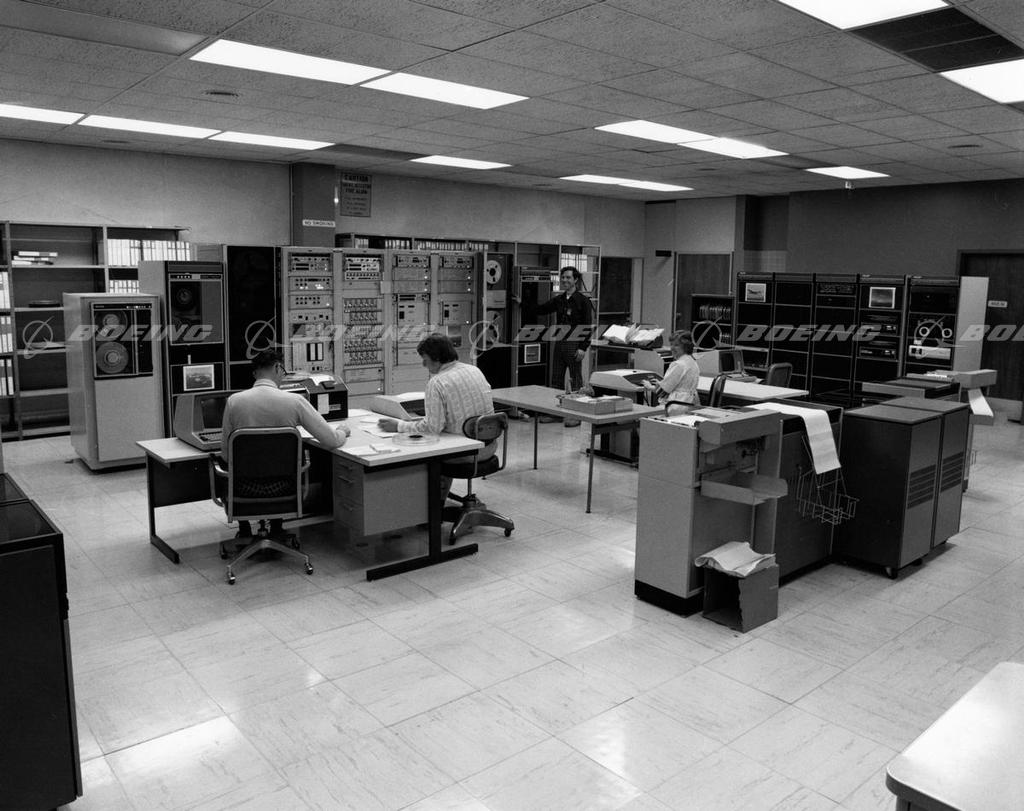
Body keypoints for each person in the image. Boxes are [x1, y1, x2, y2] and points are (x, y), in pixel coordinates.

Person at [221, 348, 350, 538]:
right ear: (277, 367)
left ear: (255, 373)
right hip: (284, 488)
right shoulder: (295, 401)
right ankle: (276, 526)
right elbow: (331, 441)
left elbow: (225, 454)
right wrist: (342, 431)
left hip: (244, 488)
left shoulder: (234, 402)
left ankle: (245, 527)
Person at [377, 333, 494, 504]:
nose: (423, 364)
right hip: (489, 446)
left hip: (465, 455)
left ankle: (430, 509)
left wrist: (399, 426)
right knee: (446, 440)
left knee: (420, 451)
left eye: (425, 359)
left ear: (437, 358)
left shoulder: (437, 382)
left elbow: (433, 428)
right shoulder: (474, 370)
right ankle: (438, 501)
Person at [536, 266, 595, 426]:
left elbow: (587, 326)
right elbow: (542, 309)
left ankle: (577, 415)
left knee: (576, 379)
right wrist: (522, 303)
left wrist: (583, 347)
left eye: (568, 278)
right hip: (560, 341)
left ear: (575, 279)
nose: (565, 281)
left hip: (575, 343)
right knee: (556, 377)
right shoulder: (560, 299)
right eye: (563, 278)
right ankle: (556, 413)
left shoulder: (583, 301)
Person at [642, 330, 699, 416]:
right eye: (671, 344)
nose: (672, 348)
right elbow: (679, 385)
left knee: (644, 415)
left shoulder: (678, 365)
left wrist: (649, 386)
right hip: (689, 405)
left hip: (675, 407)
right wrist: (660, 383)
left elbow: (662, 392)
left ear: (685, 347)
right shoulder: (692, 362)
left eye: (676, 345)